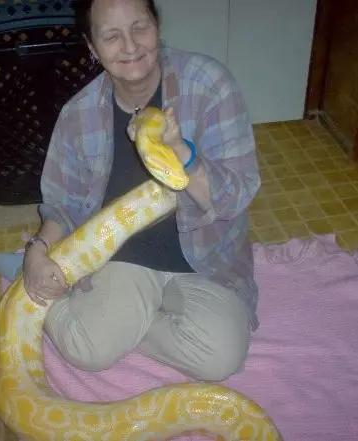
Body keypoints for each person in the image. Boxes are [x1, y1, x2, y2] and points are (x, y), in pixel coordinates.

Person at [22, 0, 261, 381]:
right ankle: (101, 316)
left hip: (204, 260)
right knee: (88, 351)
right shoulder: (77, 116)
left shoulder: (210, 85)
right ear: (91, 47)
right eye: (111, 36)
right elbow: (61, 204)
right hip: (125, 258)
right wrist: (37, 250)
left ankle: (124, 322)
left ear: (157, 25)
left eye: (140, 27)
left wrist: (186, 155)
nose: (130, 46)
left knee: (222, 358)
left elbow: (235, 198)